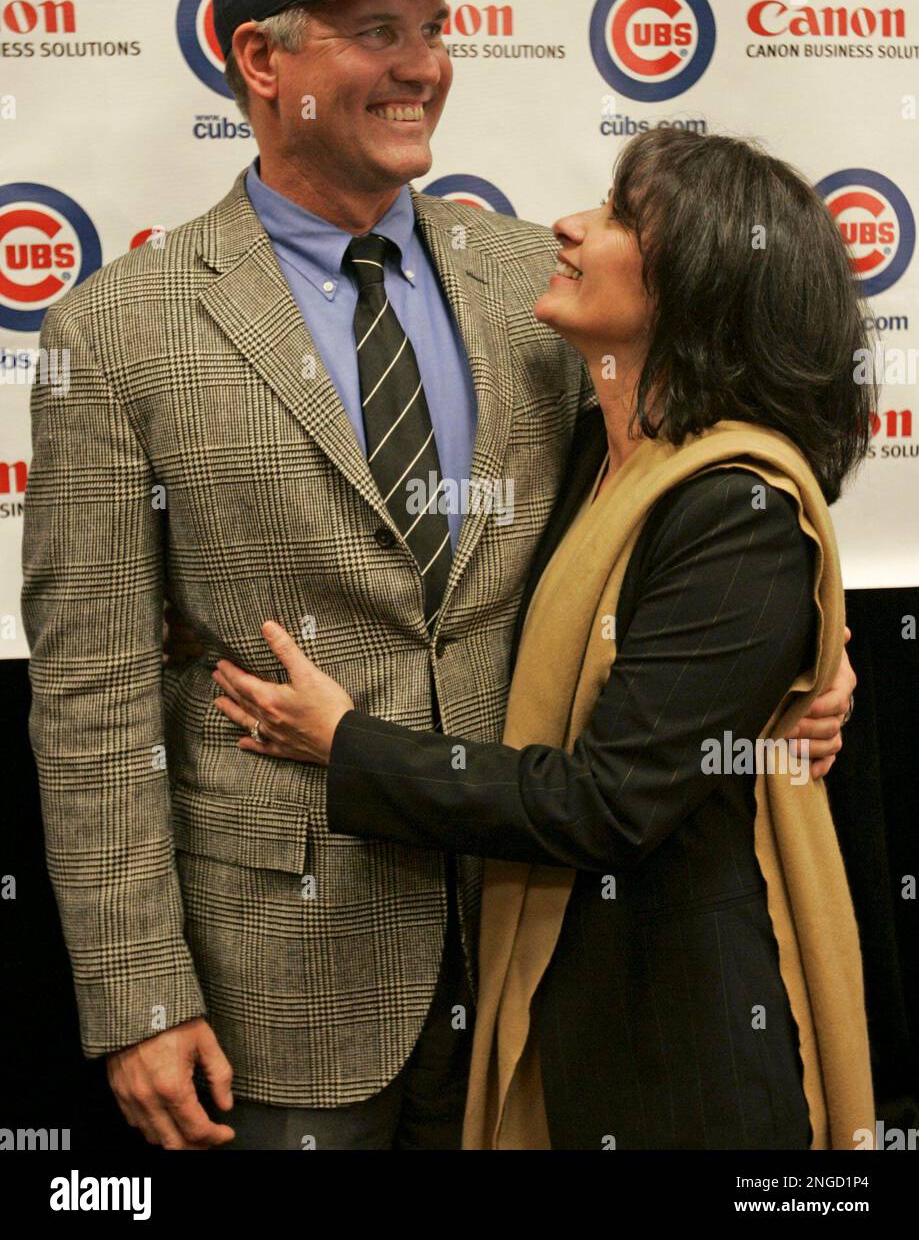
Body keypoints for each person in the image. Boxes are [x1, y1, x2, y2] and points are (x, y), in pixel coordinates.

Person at [21, 0, 854, 1152]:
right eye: (378, 31)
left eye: (434, 28)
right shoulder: (116, 334)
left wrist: (803, 661)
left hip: (540, 948)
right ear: (260, 59)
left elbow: (686, 495)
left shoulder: (538, 283)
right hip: (280, 983)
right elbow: (95, 693)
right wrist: (138, 992)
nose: (423, 66)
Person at [210, 127, 876, 1150]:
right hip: (562, 1005)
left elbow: (605, 805)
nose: (566, 226)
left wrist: (346, 744)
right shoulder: (594, 456)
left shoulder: (734, 510)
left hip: (679, 1048)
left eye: (618, 218)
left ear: (695, 286)